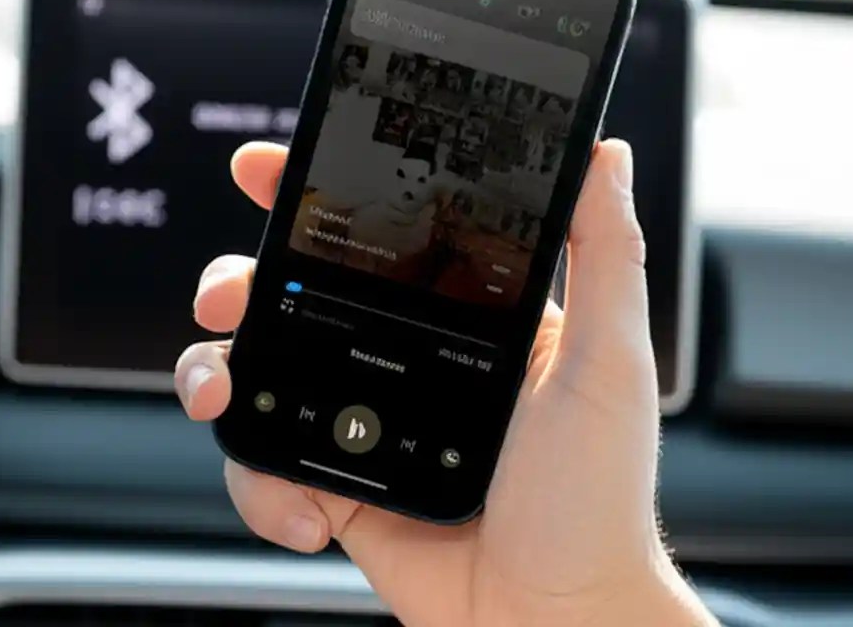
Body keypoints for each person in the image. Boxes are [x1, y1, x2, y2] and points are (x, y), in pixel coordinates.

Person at [175, 139, 718, 626]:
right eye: (402, 181)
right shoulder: (338, 214)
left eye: (422, 188)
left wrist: (592, 603)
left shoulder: (452, 255)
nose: (409, 194)